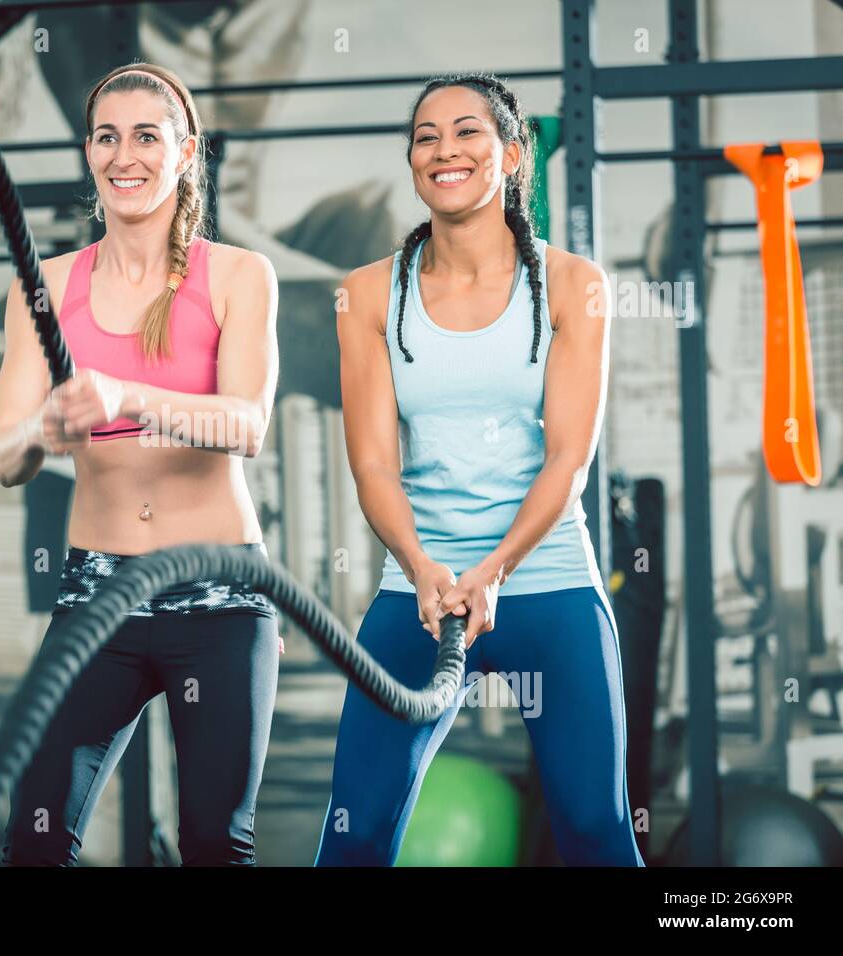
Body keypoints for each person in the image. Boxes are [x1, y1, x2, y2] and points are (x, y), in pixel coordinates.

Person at [314, 73, 644, 867]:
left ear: (512, 153)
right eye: (426, 137)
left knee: (598, 831)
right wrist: (423, 566)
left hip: (546, 582)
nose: (444, 150)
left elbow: (569, 456)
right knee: (353, 834)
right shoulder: (365, 296)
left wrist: (496, 569)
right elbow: (371, 463)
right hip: (419, 592)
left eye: (467, 132)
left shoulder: (573, 286)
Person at [0, 62, 281, 866]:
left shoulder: (239, 276)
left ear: (185, 153)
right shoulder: (43, 290)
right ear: (89, 153)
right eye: (108, 137)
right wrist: (41, 428)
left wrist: (126, 396)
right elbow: (6, 460)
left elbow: (247, 424)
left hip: (221, 596)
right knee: (36, 840)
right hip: (98, 594)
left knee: (215, 846)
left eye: (147, 136)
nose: (127, 155)